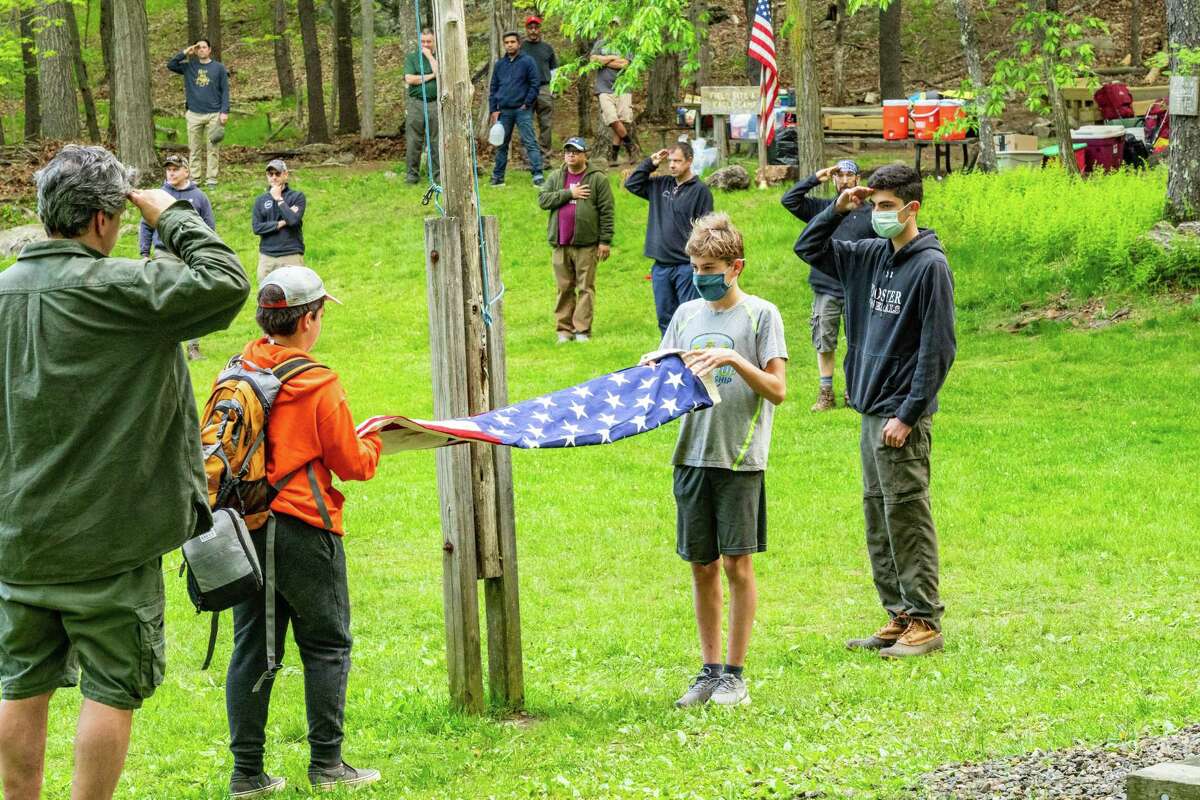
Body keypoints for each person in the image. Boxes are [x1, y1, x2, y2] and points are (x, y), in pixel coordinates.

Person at [0, 144, 249, 800]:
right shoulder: (123, 286)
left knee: (20, 680)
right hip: (112, 540)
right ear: (105, 220)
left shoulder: (3, 293)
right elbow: (226, 282)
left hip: (19, 538)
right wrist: (170, 213)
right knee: (112, 686)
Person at [224, 266, 383, 798]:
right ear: (309, 320)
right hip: (303, 528)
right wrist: (375, 441)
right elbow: (353, 463)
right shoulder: (318, 383)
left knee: (252, 649)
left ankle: (247, 774)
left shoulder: (236, 369)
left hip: (245, 527)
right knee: (327, 644)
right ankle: (328, 764)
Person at [794, 163, 956, 659]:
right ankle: (898, 614)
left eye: (887, 206)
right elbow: (809, 249)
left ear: (912, 208)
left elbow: (938, 348)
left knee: (905, 511)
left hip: (899, 413)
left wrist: (908, 414)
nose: (879, 214)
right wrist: (840, 207)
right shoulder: (868, 255)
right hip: (868, 407)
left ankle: (924, 620)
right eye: (875, 205)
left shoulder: (930, 266)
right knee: (877, 514)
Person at [654, 212, 787, 708]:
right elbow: (668, 379)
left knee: (737, 564)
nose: (700, 274)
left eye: (710, 266)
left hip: (739, 459)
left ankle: (735, 673)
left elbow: (777, 390)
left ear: (736, 267)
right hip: (691, 455)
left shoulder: (761, 315)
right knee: (702, 565)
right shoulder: (686, 316)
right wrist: (654, 369)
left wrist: (733, 359)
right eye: (695, 265)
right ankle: (708, 671)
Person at [781, 159, 874, 412]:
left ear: (858, 178)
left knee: (859, 342)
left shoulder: (871, 212)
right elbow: (789, 201)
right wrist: (815, 177)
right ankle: (826, 393)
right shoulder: (823, 209)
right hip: (826, 287)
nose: (844, 180)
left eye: (849, 175)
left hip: (858, 289)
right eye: (839, 175)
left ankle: (852, 392)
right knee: (824, 341)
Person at [624, 142, 714, 335]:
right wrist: (651, 163)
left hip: (685, 266)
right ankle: (669, 358)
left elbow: (707, 229)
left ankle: (691, 358)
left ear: (689, 161)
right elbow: (632, 184)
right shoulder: (660, 185)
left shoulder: (700, 191)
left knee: (690, 315)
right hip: (660, 267)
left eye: (677, 161)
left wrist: (702, 263)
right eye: (670, 161)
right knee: (665, 318)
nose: (672, 165)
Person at [139, 153, 218, 361]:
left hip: (189, 254)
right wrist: (144, 253)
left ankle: (193, 347)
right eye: (168, 169)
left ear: (186, 171)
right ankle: (166, 344)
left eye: (175, 169)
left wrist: (205, 252)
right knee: (165, 297)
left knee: (193, 298)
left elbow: (209, 227)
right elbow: (146, 225)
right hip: (164, 252)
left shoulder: (199, 197)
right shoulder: (158, 194)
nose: (171, 173)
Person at [537, 137, 614, 343]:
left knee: (585, 287)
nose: (571, 155)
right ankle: (564, 330)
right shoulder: (556, 176)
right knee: (564, 287)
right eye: (568, 151)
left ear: (584, 154)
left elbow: (607, 211)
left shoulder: (597, 179)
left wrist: (605, 241)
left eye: (576, 152)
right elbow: (543, 200)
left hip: (586, 244)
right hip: (561, 243)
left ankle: (582, 331)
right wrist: (569, 193)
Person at [167, 38, 230, 186]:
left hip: (214, 114)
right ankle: (195, 179)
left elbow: (225, 91)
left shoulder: (219, 68)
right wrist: (185, 52)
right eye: (198, 48)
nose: (201, 50)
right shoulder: (189, 67)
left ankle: (211, 180)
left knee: (212, 148)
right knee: (194, 149)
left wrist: (224, 111)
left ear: (209, 50)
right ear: (195, 51)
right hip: (194, 114)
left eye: (204, 47)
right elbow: (171, 65)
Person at [488, 31, 544, 187]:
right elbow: (493, 87)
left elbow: (534, 83)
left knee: (529, 142)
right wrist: (494, 109)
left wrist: (527, 103)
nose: (509, 45)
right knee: (501, 145)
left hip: (522, 110)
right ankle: (498, 177)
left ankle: (538, 175)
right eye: (506, 42)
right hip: (504, 111)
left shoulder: (527, 61)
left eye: (512, 42)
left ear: (519, 43)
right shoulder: (500, 64)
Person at [251, 159, 307, 284]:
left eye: (277, 174)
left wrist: (278, 199)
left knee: (295, 297)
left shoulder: (297, 197)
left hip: (291, 255)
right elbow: (257, 228)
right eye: (270, 174)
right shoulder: (260, 200)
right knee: (267, 298)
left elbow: (293, 220)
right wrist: (281, 223)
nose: (274, 177)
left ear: (285, 175)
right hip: (267, 257)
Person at [590, 28, 637, 163]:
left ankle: (614, 155)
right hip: (604, 88)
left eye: (616, 25)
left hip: (623, 88)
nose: (613, 28)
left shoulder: (626, 44)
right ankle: (631, 146)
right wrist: (614, 58)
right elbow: (593, 60)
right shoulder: (600, 43)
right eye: (610, 25)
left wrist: (605, 61)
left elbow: (625, 63)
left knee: (623, 120)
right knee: (612, 119)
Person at [403, 28, 440, 185]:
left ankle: (438, 176)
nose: (425, 44)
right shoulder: (412, 58)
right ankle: (412, 175)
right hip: (416, 103)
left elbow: (442, 74)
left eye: (429, 41)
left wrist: (430, 57)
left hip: (434, 103)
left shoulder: (439, 57)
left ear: (434, 41)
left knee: (436, 141)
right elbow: (410, 79)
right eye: (423, 41)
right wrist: (431, 76)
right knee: (414, 141)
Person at [520, 15, 557, 154]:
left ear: (540, 29)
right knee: (525, 122)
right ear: (526, 29)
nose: (533, 31)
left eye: (536, 28)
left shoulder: (547, 48)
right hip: (525, 89)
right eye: (530, 28)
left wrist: (554, 88)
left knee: (546, 123)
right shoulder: (521, 47)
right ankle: (528, 157)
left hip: (544, 88)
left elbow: (554, 70)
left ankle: (545, 155)